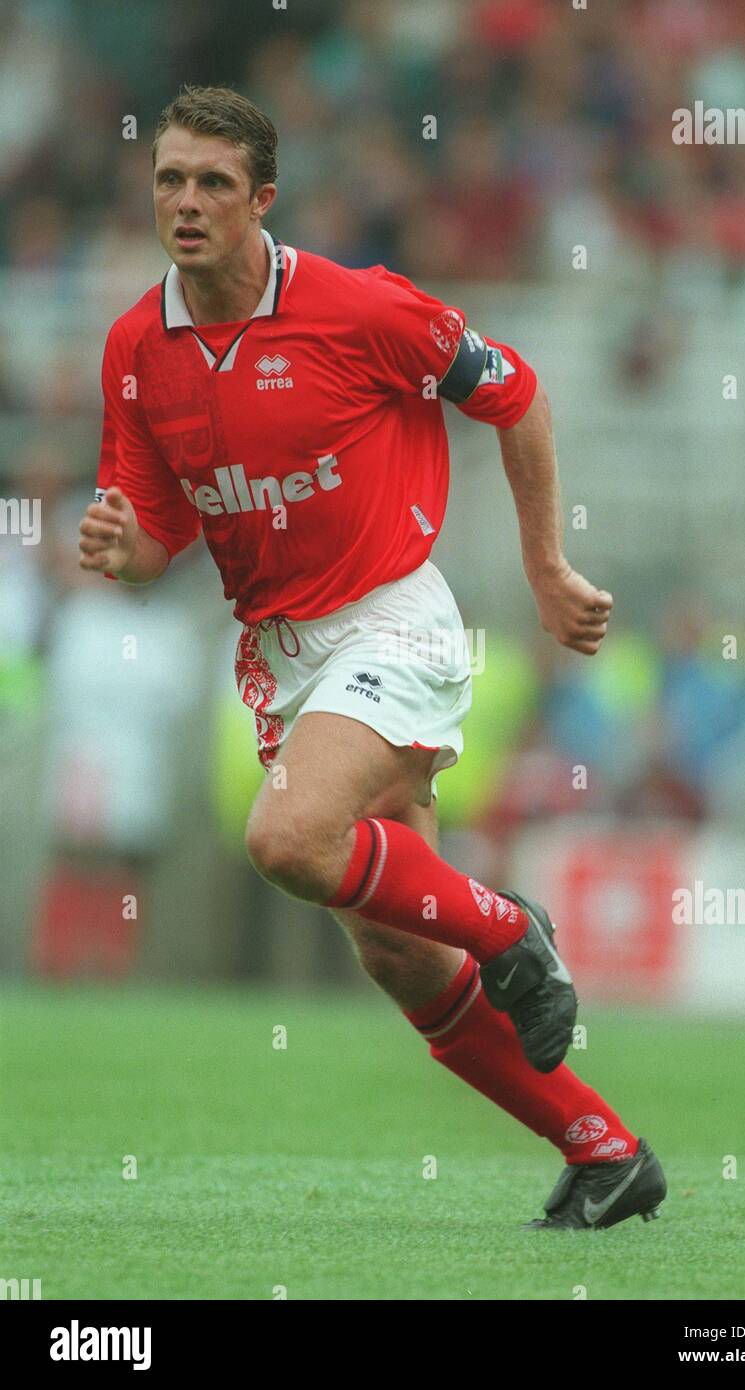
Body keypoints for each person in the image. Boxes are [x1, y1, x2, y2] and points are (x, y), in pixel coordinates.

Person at [78, 85, 665, 1230]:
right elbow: (157, 537)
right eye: (168, 179)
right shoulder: (135, 349)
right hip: (282, 656)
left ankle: (509, 926)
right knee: (400, 954)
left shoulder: (356, 309)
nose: (185, 203)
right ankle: (603, 1149)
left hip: (390, 617)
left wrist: (546, 569)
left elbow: (517, 394)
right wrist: (123, 547)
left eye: (212, 183)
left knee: (286, 836)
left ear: (263, 200)